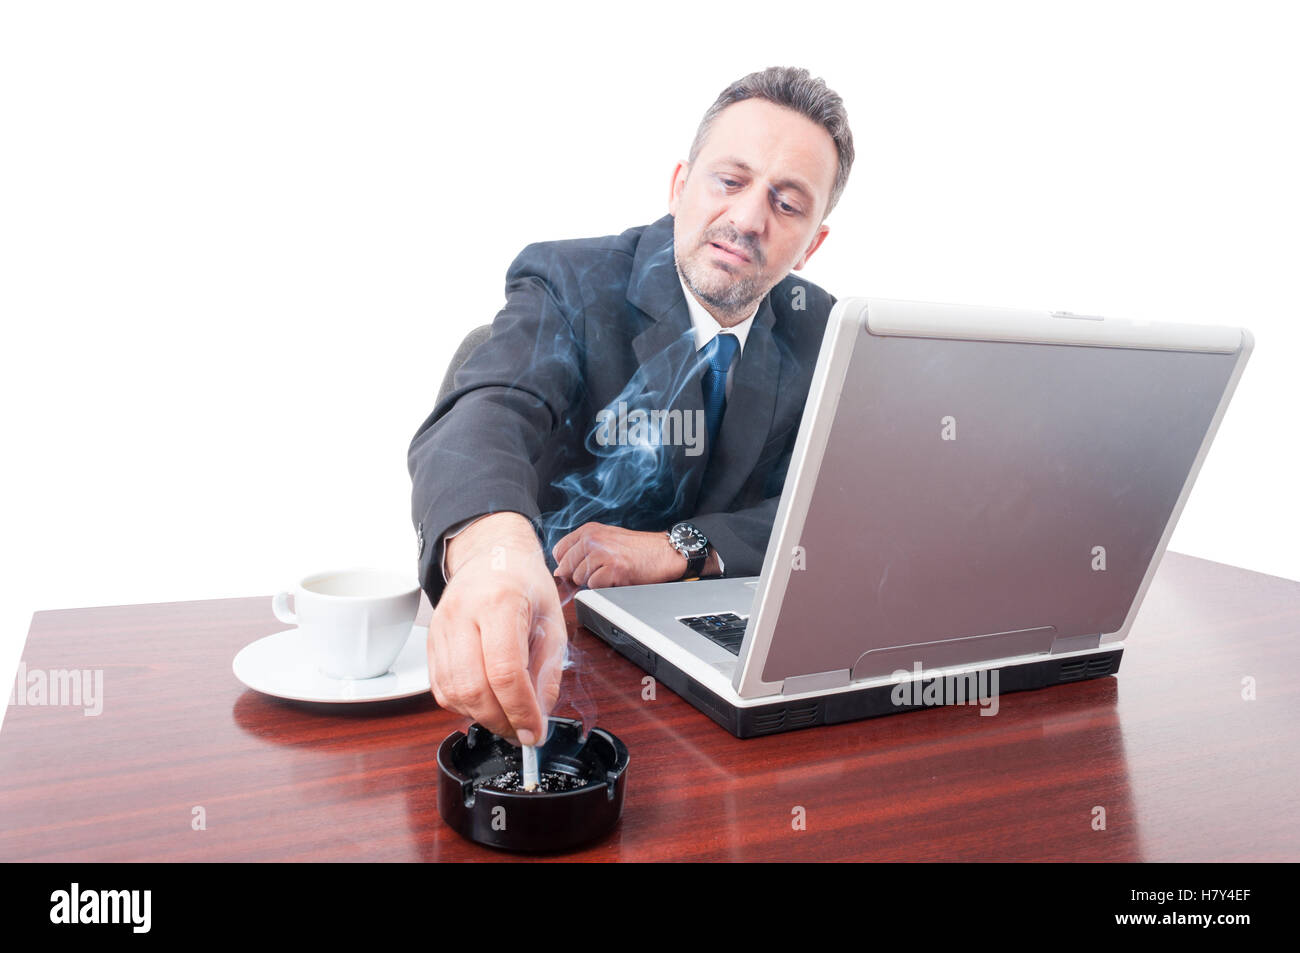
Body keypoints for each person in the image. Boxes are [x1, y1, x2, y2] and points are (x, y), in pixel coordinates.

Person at [407, 65, 854, 745]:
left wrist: (679, 548)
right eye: (729, 181)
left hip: (719, 677)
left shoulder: (820, 327)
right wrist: (493, 549)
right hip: (558, 662)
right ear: (680, 187)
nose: (747, 218)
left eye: (788, 203)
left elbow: (830, 504)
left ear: (813, 242)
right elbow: (485, 411)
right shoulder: (572, 282)